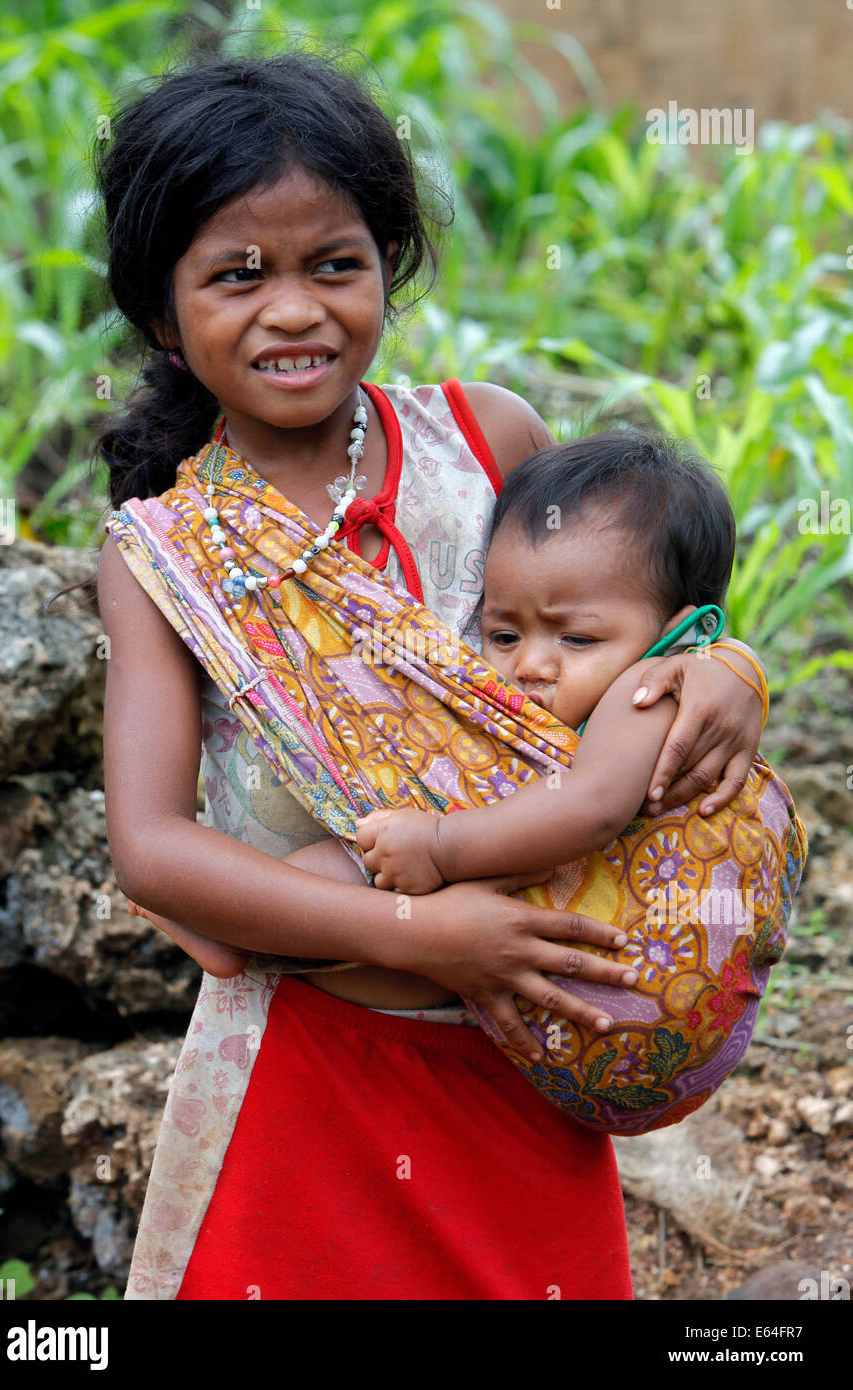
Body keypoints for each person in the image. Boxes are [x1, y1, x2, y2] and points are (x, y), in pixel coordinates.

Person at [96, 50, 772, 1300]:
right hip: (310, 1069)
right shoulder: (167, 555)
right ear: (160, 313)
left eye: (332, 265)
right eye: (236, 275)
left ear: (386, 272)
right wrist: (422, 928)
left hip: (524, 1041)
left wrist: (727, 664)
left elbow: (636, 615)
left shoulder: (486, 438)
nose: (291, 309)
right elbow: (152, 847)